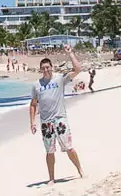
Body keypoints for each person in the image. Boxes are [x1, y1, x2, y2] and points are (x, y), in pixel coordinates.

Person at [29, 45, 84, 185]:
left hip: (60, 120)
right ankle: (51, 178)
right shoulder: (36, 85)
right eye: (43, 68)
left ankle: (80, 170)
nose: (46, 70)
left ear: (52, 67)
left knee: (69, 147)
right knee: (49, 152)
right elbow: (33, 104)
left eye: (48, 67)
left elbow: (78, 70)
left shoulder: (59, 79)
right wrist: (32, 123)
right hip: (46, 123)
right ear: (40, 70)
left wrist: (70, 53)